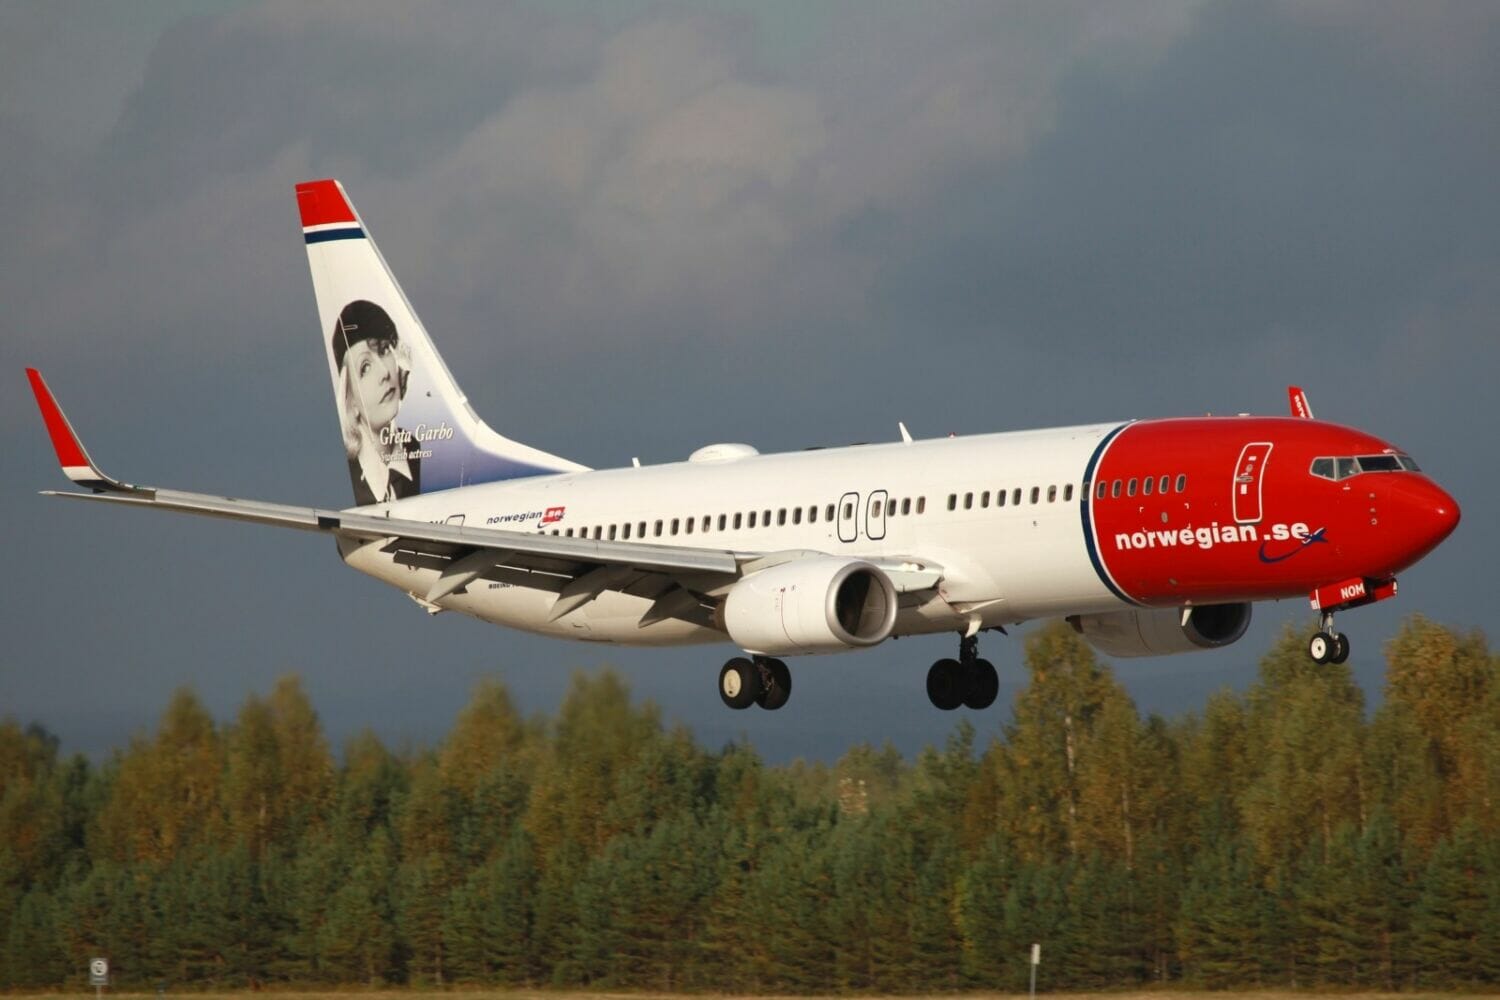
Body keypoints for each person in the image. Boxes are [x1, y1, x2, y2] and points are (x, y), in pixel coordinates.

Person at [331, 299, 422, 504]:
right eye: (365, 368)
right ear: (351, 400)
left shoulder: (418, 452)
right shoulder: (354, 476)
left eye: (384, 350)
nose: (383, 372)